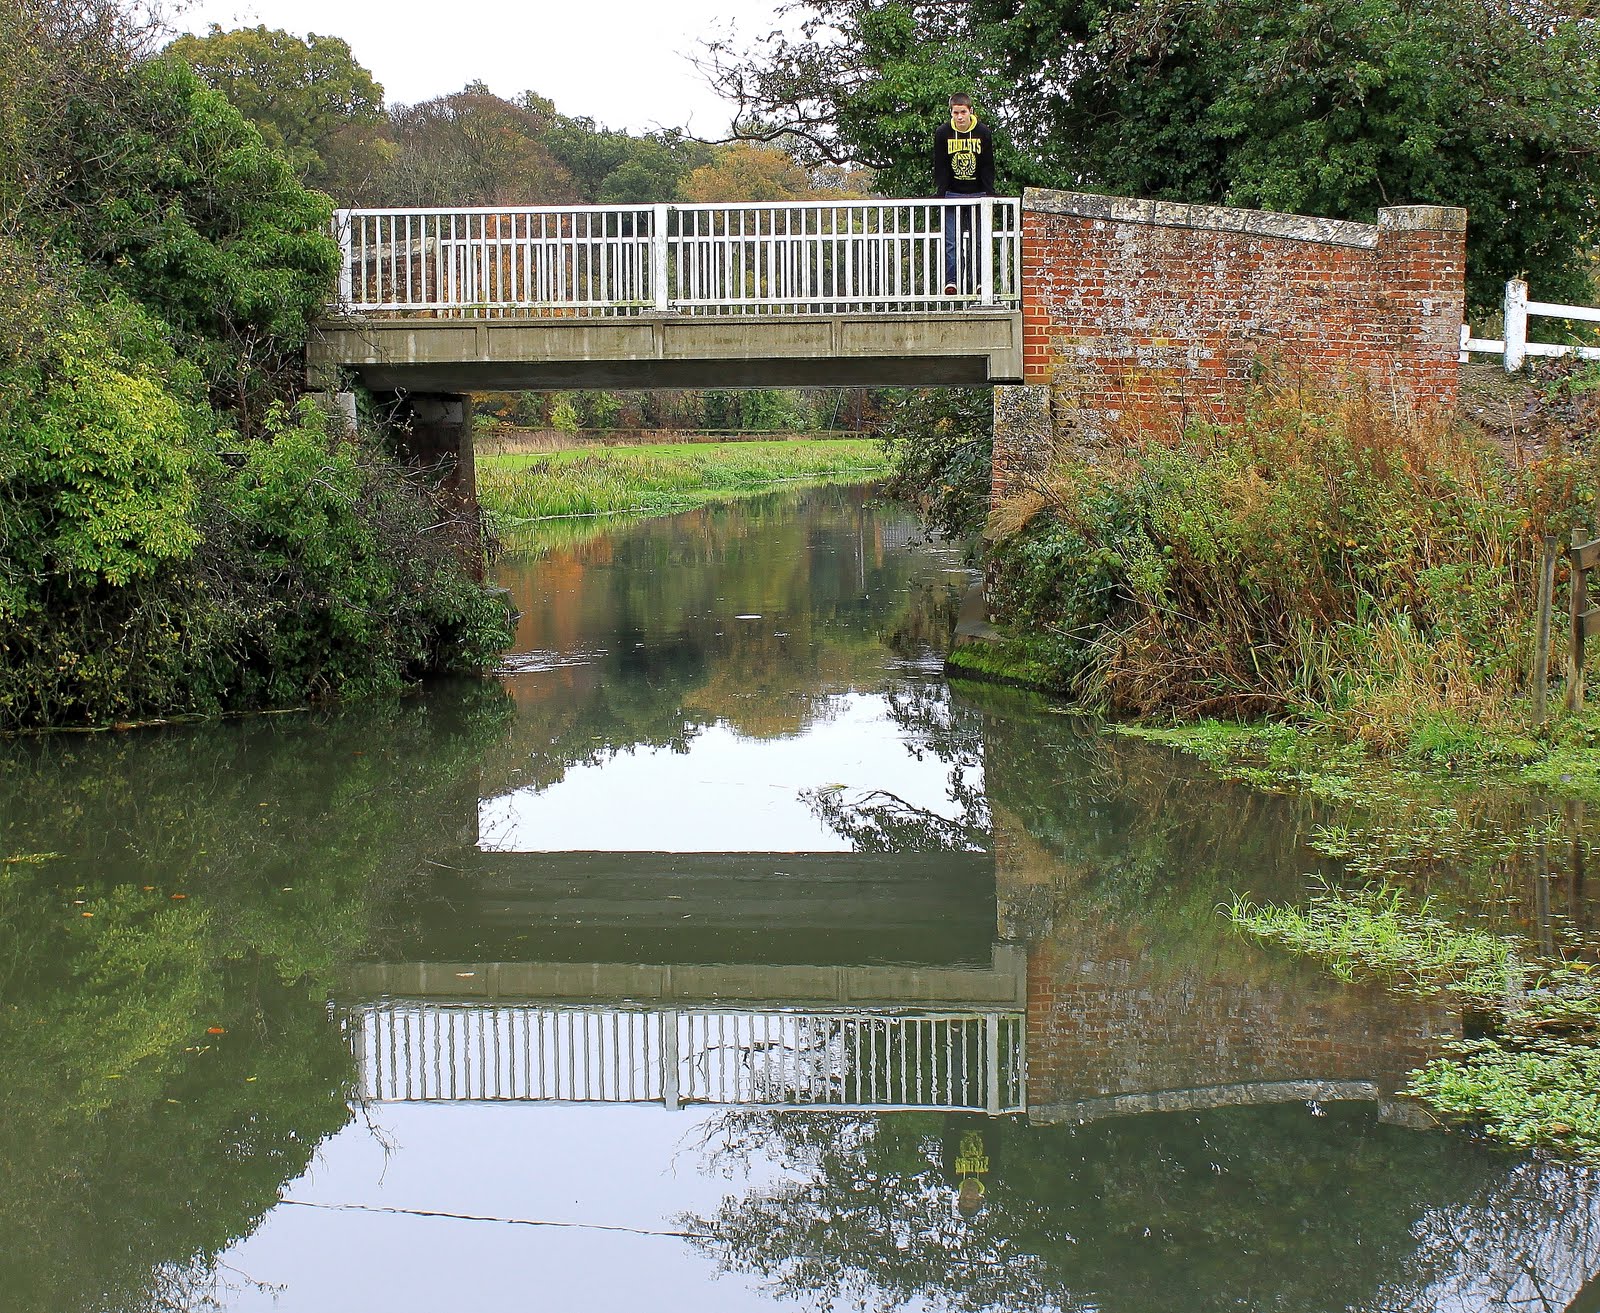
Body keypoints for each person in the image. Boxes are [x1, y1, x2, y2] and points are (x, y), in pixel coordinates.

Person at [932, 94, 996, 296]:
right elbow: (940, 166)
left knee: (979, 240)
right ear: (951, 112)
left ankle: (979, 281)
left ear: (970, 112)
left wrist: (989, 193)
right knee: (951, 241)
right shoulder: (943, 133)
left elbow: (987, 165)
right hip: (953, 194)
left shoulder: (983, 132)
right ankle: (951, 281)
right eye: (955, 112)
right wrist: (941, 194)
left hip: (977, 193)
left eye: (963, 112)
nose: (959, 117)